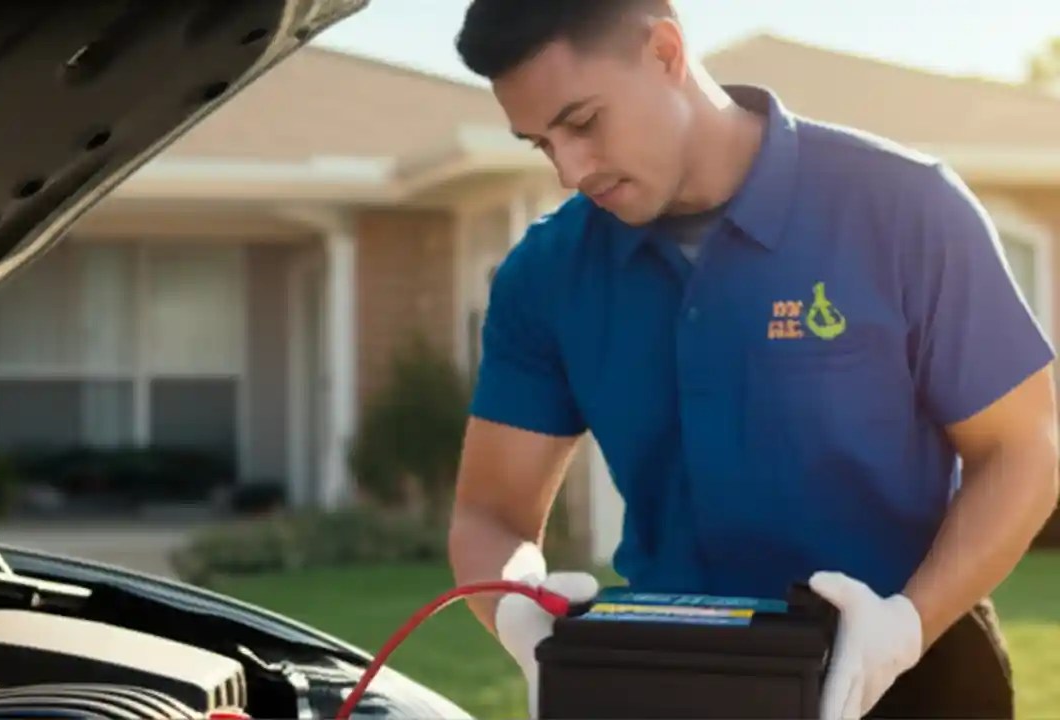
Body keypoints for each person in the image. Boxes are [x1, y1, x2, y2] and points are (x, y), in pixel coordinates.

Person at [446, 1, 1060, 718]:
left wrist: (905, 626)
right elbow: (492, 514)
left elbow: (1023, 450)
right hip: (668, 679)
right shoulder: (545, 275)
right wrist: (522, 615)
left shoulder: (906, 209)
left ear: (666, 52)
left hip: (914, 670)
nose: (569, 170)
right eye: (541, 144)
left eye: (582, 123)